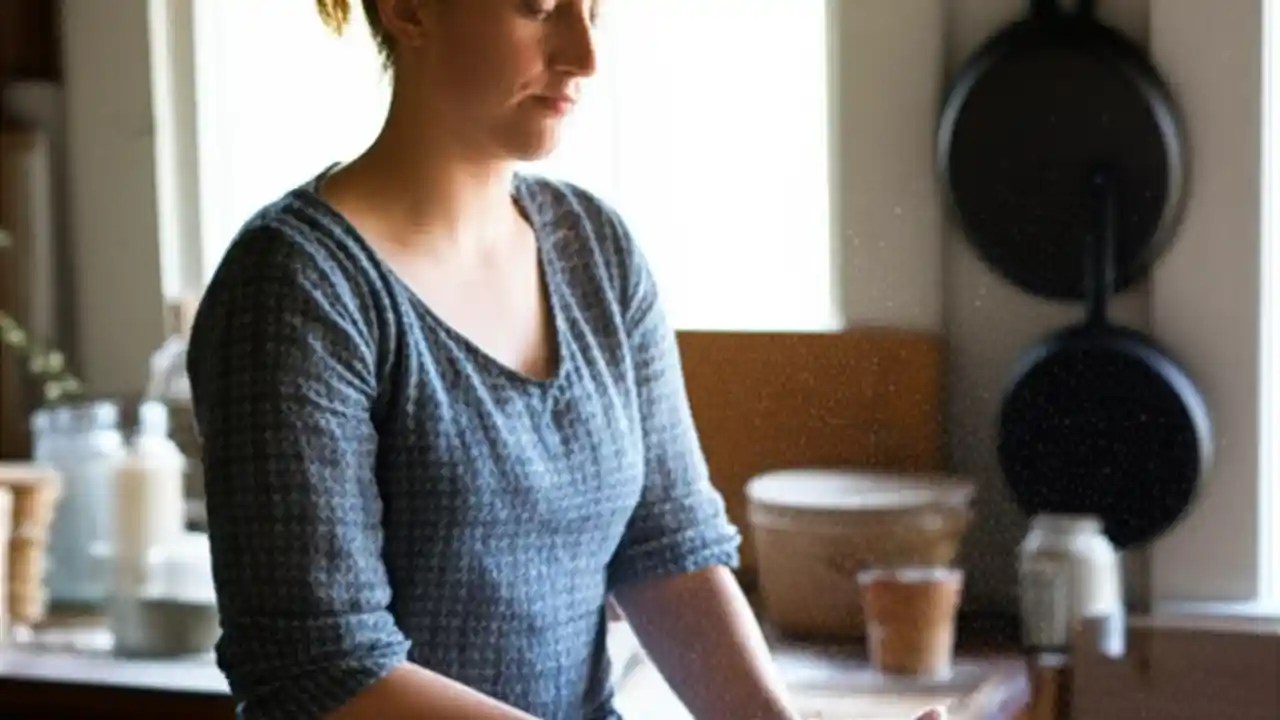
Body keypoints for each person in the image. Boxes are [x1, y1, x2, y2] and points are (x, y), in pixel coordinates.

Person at [187, 1, 946, 719]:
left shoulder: (596, 252)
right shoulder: (297, 286)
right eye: (539, 6)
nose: (584, 55)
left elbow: (666, 546)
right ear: (408, 7)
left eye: (596, 9)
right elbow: (317, 666)